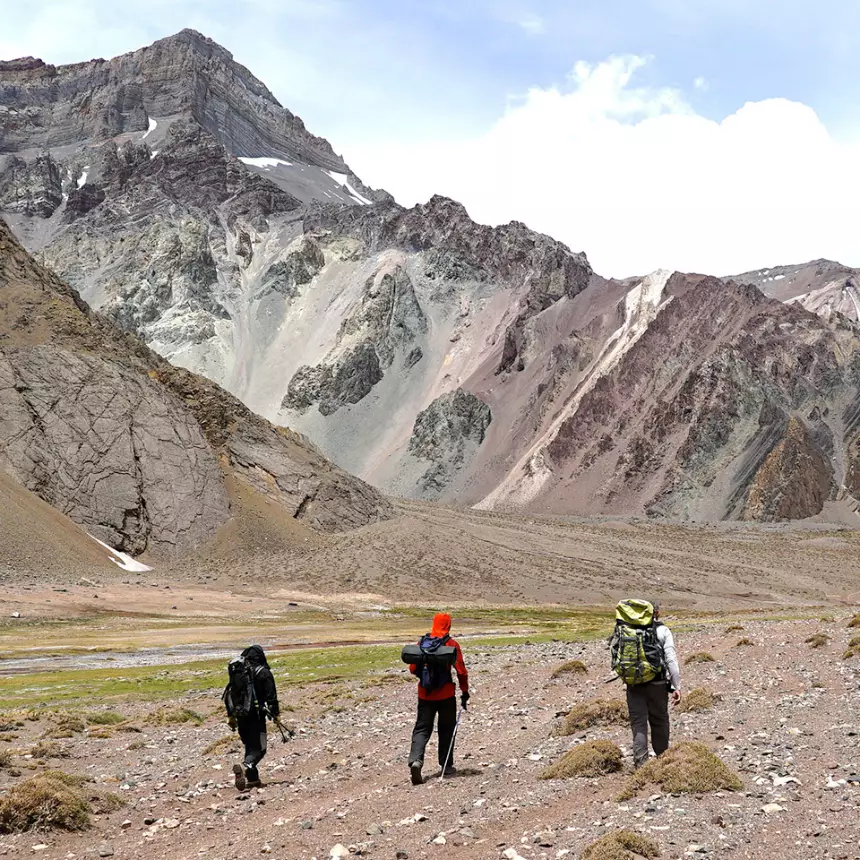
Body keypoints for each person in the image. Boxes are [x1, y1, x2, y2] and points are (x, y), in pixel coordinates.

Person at [407, 612, 469, 785]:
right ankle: (446, 766)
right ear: (448, 625)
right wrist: (465, 692)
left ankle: (416, 761)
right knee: (446, 728)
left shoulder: (422, 643)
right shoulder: (451, 644)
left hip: (424, 695)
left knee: (422, 728)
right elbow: (462, 672)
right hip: (447, 695)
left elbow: (412, 669)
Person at [624, 601, 681, 769]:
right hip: (658, 683)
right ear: (657, 613)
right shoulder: (663, 630)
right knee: (659, 720)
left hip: (633, 684)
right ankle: (663, 760)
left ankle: (641, 766)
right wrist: (676, 686)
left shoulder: (627, 631)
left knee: (639, 724)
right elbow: (671, 659)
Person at [230, 644, 280, 790]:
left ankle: (253, 779)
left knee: (249, 746)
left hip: (241, 716)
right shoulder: (263, 673)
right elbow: (272, 698)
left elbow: (231, 694)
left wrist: (231, 717)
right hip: (256, 717)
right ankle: (247, 765)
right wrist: (276, 715)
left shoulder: (241, 673)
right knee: (260, 749)